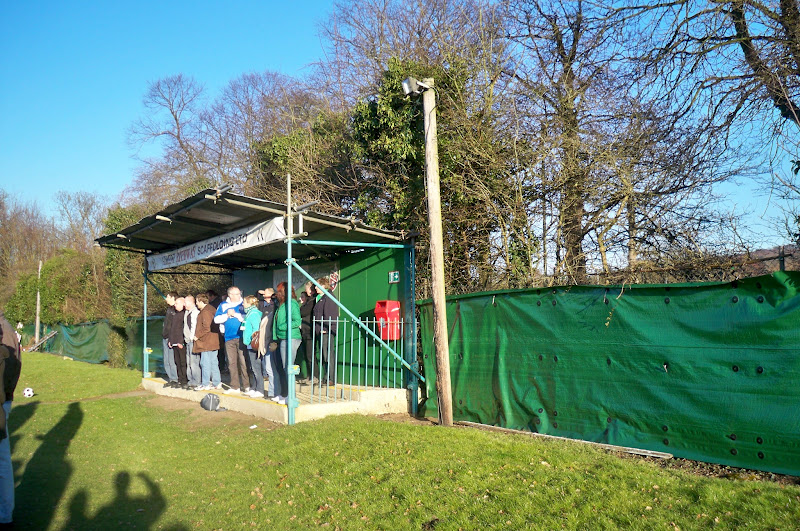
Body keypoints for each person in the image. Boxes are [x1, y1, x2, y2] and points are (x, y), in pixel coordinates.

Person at [0, 310, 21, 527]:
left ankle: (5, 515)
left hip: (1, 404)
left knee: (2, 462)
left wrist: (5, 396)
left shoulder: (4, 330)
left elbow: (11, 368)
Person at [213, 287, 248, 395]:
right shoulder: (223, 305)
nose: (239, 295)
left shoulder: (244, 304)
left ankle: (246, 386)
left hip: (241, 337)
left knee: (243, 362)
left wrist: (235, 314)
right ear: (230, 295)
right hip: (228, 338)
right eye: (237, 294)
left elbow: (247, 318)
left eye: (239, 293)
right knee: (231, 363)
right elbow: (216, 319)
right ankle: (235, 386)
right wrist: (227, 315)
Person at [272, 282, 301, 405]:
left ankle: (291, 395)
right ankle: (285, 394)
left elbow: (297, 320)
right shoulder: (281, 304)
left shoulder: (292, 303)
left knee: (288, 367)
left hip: (291, 338)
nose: (277, 293)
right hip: (282, 338)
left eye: (279, 291)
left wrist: (282, 327)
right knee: (283, 368)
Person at [312, 277, 339, 385]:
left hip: (326, 331)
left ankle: (330, 378)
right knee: (324, 355)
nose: (315, 287)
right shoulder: (321, 298)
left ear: (323, 286)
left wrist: (326, 329)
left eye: (317, 285)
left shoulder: (328, 298)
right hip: (321, 331)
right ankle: (326, 377)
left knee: (328, 355)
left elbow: (330, 315)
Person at [193, 293, 221, 391]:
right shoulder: (212, 309)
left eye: (197, 302)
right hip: (214, 341)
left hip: (206, 342)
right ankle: (216, 383)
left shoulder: (205, 312)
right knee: (213, 362)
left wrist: (197, 336)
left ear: (201, 301)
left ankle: (205, 384)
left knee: (205, 363)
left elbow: (206, 327)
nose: (196, 304)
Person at [241, 295, 264, 398]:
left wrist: (253, 341)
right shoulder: (249, 313)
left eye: (244, 302)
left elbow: (256, 329)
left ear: (250, 304)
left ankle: (260, 389)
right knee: (253, 367)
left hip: (253, 345)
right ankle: (254, 388)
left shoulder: (254, 314)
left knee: (256, 367)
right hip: (249, 344)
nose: (243, 304)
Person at [257, 288, 277, 398]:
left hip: (271, 339)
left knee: (271, 367)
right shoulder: (261, 303)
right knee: (267, 365)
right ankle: (271, 392)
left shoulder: (275, 305)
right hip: (264, 338)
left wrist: (271, 295)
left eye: (267, 293)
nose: (265, 294)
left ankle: (273, 391)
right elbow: (256, 297)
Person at [168, 298, 189, 389]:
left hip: (181, 342)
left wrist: (181, 342)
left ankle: (184, 380)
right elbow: (172, 329)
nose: (175, 305)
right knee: (177, 362)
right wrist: (171, 341)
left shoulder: (184, 314)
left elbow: (183, 329)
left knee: (183, 362)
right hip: (174, 342)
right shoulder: (175, 314)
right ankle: (180, 379)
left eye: (177, 303)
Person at [298, 281, 316, 383]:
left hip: (309, 330)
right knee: (306, 354)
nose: (306, 291)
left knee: (310, 355)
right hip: (304, 330)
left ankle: (314, 375)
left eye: (307, 289)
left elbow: (303, 312)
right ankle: (309, 375)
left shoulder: (312, 301)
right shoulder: (307, 301)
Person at [161, 292, 179, 388]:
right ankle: (171, 378)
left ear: (172, 298)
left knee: (172, 359)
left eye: (167, 297)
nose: (166, 299)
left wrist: (171, 339)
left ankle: (175, 379)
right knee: (166, 359)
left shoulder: (176, 310)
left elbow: (175, 326)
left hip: (171, 338)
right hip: (165, 336)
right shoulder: (169, 309)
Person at [183, 295, 200, 390]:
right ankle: (190, 381)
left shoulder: (195, 313)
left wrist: (191, 337)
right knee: (189, 362)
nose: (184, 304)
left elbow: (194, 327)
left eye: (185, 302)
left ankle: (196, 381)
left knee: (194, 362)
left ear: (190, 302)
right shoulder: (187, 313)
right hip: (187, 341)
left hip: (192, 341)